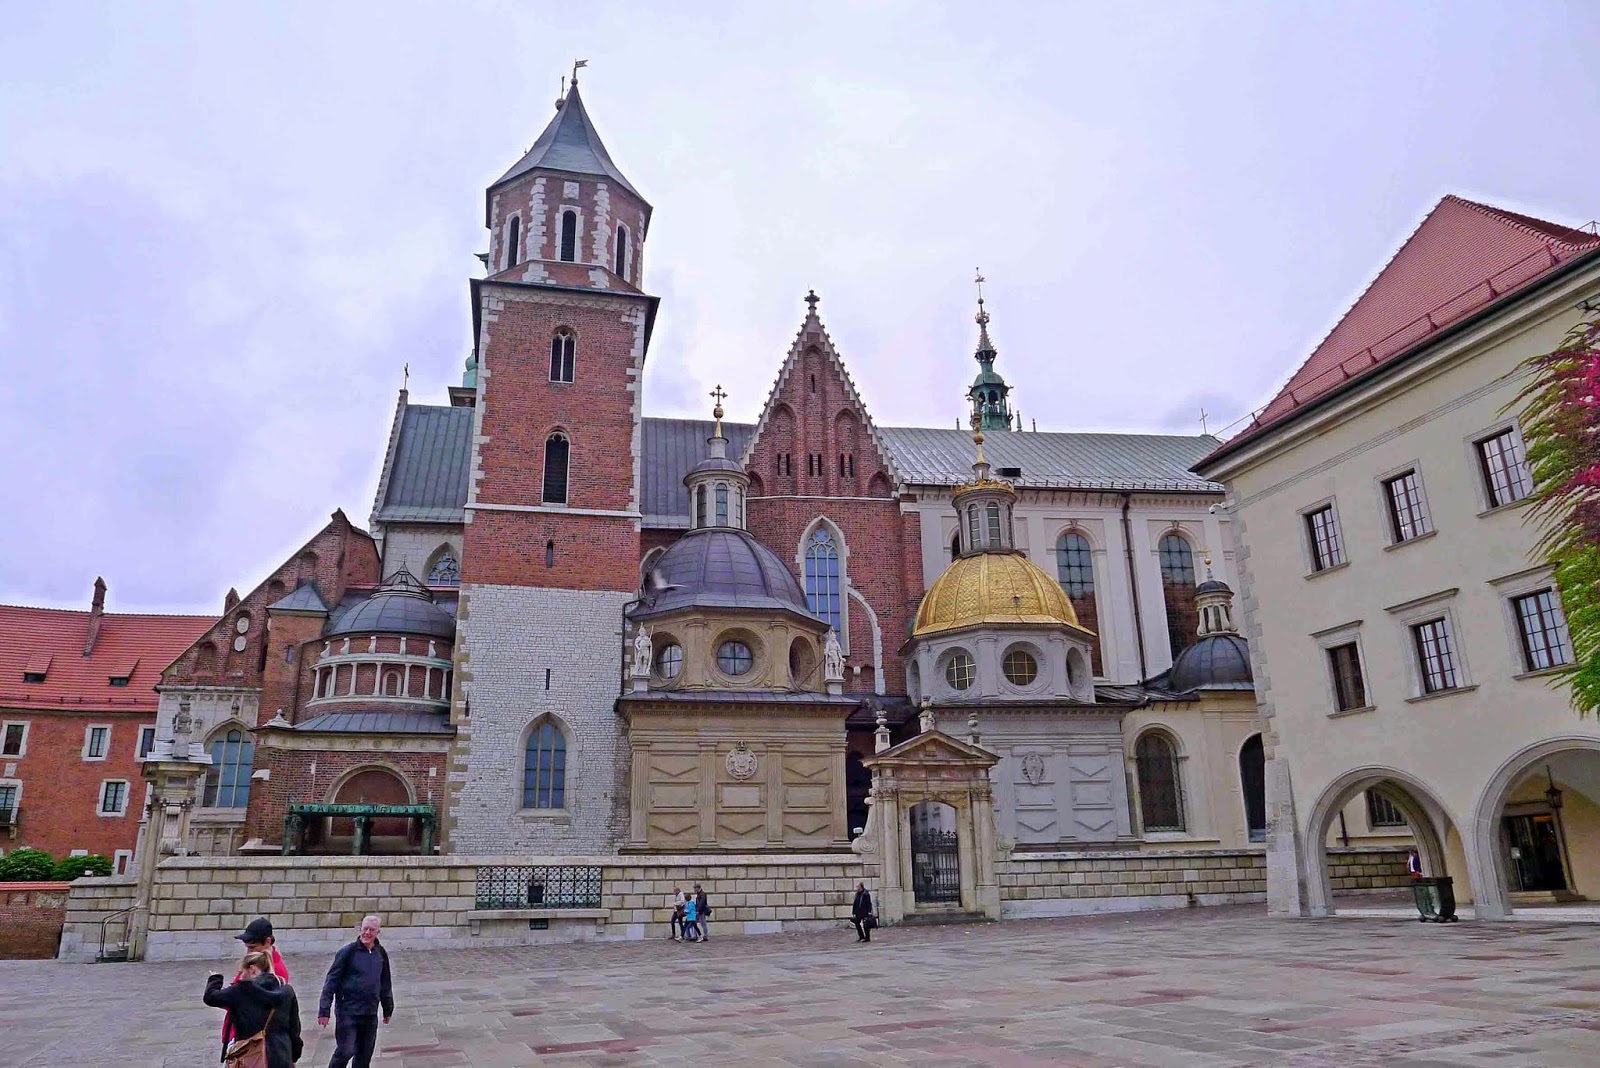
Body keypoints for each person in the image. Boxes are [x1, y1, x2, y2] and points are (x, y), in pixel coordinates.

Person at [204, 949, 303, 1068]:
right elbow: (294, 1029)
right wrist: (293, 1056)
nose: (241, 976)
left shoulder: (242, 989)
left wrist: (215, 979)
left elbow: (210, 997)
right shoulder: (287, 991)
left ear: (252, 969)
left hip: (250, 1056)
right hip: (281, 1055)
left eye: (242, 971)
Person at [318, 915, 394, 1068]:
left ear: (378, 932)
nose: (367, 933)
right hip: (348, 1012)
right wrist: (324, 1010)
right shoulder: (347, 952)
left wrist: (388, 1007)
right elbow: (331, 981)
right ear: (360, 930)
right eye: (364, 929)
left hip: (370, 1013)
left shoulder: (381, 953)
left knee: (364, 1057)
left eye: (371, 930)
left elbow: (385, 982)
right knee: (345, 1051)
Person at [223, 918, 291, 1050]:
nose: (249, 952)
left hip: (252, 1039)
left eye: (252, 947)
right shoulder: (254, 962)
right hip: (238, 1032)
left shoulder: (276, 971)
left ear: (267, 942)